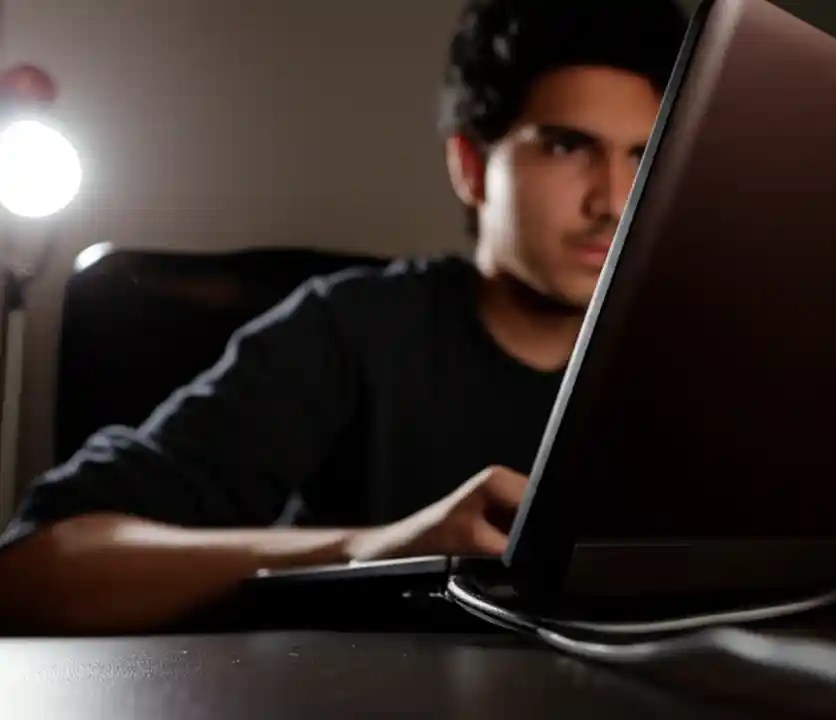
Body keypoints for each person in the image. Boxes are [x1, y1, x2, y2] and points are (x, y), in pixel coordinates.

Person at [0, 0, 687, 633]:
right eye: (568, 146)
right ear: (470, 166)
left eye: (641, 155)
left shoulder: (681, 363)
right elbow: (34, 568)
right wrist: (379, 549)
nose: (615, 200)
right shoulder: (353, 328)